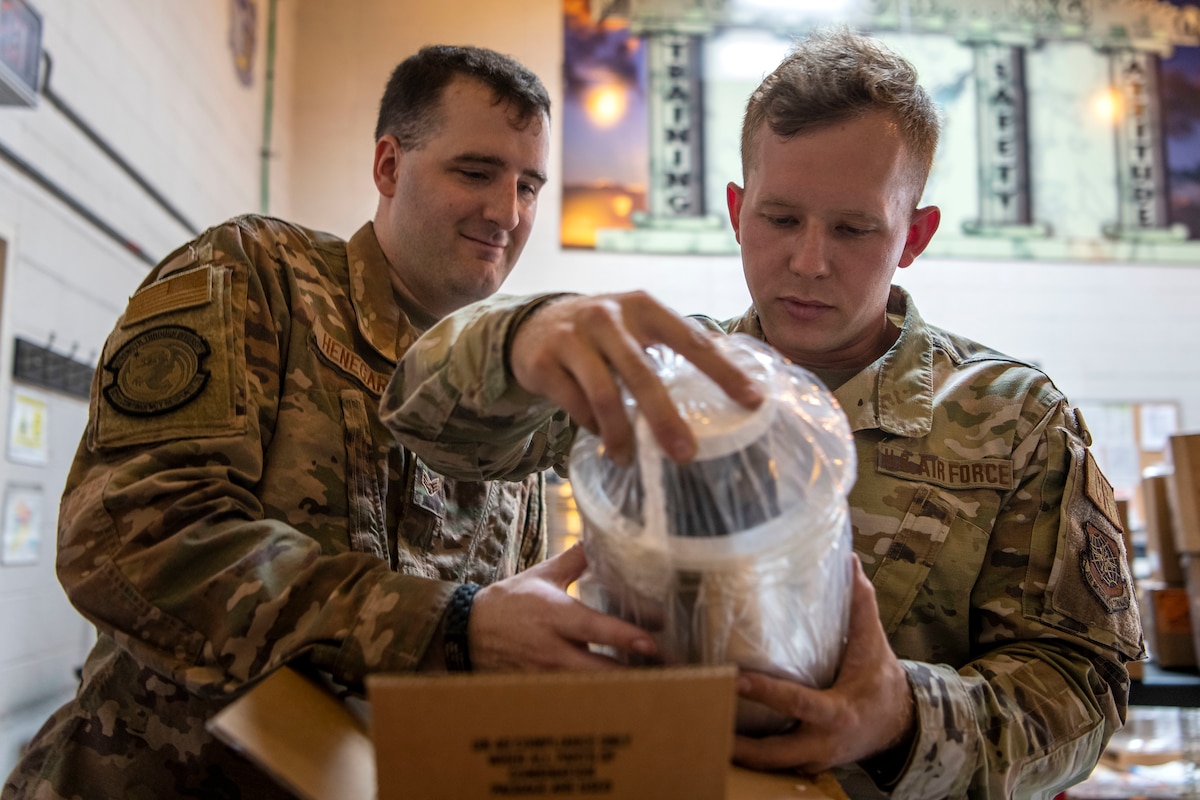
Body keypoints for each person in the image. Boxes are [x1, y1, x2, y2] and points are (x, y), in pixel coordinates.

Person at [379, 28, 1145, 799]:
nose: (809, 262)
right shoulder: (659, 380)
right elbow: (429, 427)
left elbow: (1083, 687)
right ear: (737, 212)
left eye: (853, 228)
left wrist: (905, 718)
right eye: (780, 219)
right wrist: (520, 335)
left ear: (913, 234)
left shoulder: (1015, 422)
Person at [3, 45, 759, 800]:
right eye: (476, 172)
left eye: (529, 186)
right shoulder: (260, 276)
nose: (507, 213)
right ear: (389, 166)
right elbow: (130, 537)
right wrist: (451, 627)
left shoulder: (516, 392)